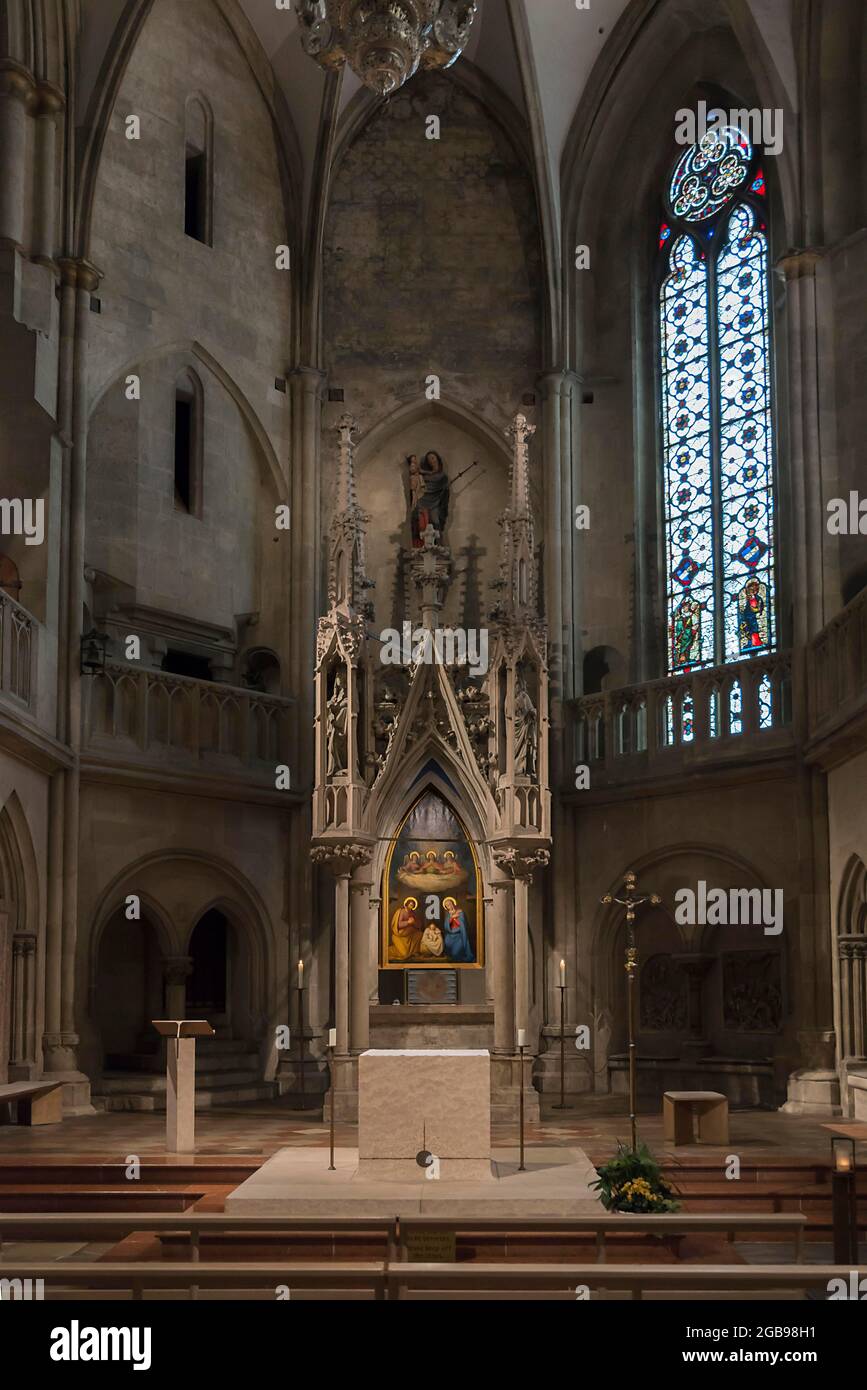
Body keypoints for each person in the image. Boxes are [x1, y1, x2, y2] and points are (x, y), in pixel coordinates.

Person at [411, 451, 450, 547]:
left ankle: (440, 547)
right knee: (422, 524)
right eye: (429, 460)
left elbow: (443, 486)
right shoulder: (425, 475)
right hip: (423, 500)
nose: (431, 461)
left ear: (437, 458)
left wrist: (444, 489)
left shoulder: (442, 476)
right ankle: (423, 547)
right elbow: (420, 485)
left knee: (436, 522)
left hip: (436, 502)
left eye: (432, 458)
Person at [390, 897, 422, 961]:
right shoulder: (401, 911)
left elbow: (418, 924)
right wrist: (408, 922)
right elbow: (398, 925)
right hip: (400, 935)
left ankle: (414, 952)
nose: (411, 906)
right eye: (410, 905)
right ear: (407, 904)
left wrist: (414, 922)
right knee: (404, 954)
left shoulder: (413, 913)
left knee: (419, 934)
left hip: (410, 934)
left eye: (413, 905)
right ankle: (389, 951)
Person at [442, 896, 473, 963]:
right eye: (447, 905)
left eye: (450, 904)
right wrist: (451, 918)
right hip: (450, 934)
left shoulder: (460, 912)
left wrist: (455, 918)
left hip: (459, 935)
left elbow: (462, 924)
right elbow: (446, 926)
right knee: (447, 943)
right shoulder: (448, 914)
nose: (449, 906)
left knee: (456, 953)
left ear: (453, 903)